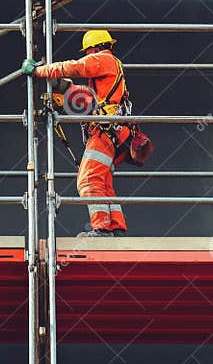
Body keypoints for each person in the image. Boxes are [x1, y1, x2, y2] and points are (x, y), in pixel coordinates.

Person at [21, 30, 135, 237]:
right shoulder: (109, 70)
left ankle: (101, 228)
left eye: (88, 52)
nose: (87, 55)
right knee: (103, 183)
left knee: (88, 180)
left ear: (94, 49)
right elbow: (86, 96)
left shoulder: (103, 60)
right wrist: (60, 86)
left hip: (105, 130)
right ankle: (115, 226)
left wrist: (40, 71)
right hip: (112, 131)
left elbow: (74, 67)